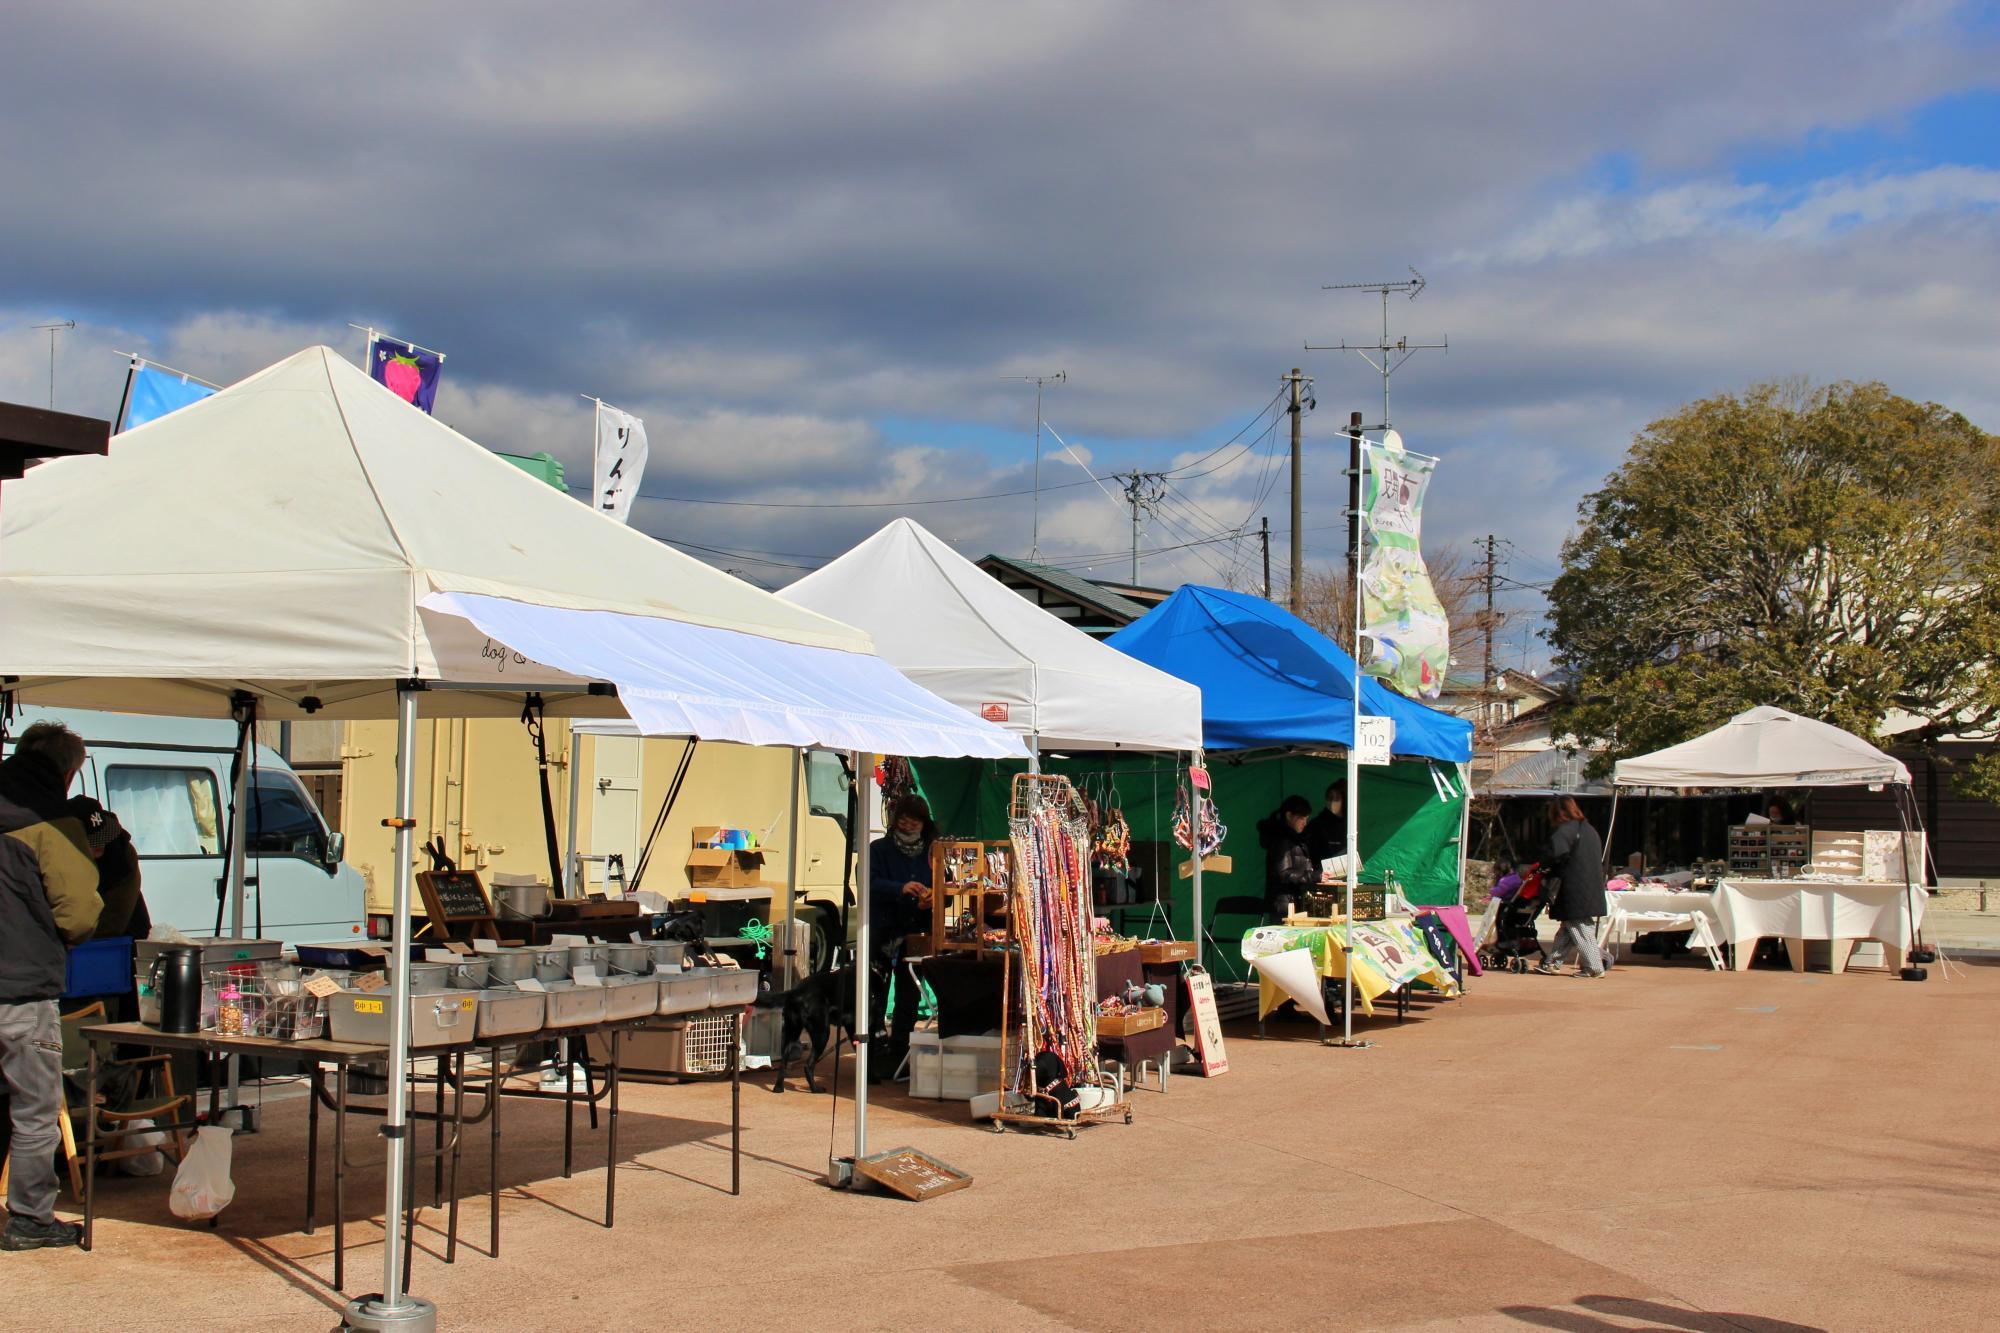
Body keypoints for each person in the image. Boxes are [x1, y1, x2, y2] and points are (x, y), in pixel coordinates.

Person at [0, 722, 103, 1251]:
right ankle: (30, 1219)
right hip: (21, 988)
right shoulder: (52, 822)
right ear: (68, 772)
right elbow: (80, 913)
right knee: (35, 1108)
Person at [867, 794, 935, 1080]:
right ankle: (873, 1053)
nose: (908, 824)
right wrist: (900, 888)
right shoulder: (878, 849)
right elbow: (868, 883)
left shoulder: (931, 853)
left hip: (916, 932)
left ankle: (901, 1052)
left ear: (923, 823)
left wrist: (932, 898)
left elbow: (944, 889)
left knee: (908, 994)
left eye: (914, 820)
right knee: (876, 993)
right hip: (883, 930)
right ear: (895, 820)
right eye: (904, 819)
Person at [1536, 796, 1608, 978]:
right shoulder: (1589, 829)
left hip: (1573, 888)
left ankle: (1594, 967)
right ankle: (1552, 962)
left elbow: (1553, 854)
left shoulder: (1565, 831)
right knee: (1569, 926)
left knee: (1579, 926)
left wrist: (1543, 866)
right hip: (1591, 885)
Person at [1257, 795, 1317, 921]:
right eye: (1302, 818)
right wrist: (1313, 876)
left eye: (1306, 819)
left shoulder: (1292, 838)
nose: (1305, 823)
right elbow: (1284, 874)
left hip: (1290, 904)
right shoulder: (1281, 840)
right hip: (1285, 906)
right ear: (1289, 816)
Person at [1304, 781, 1348, 873]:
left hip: (1345, 875)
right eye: (1329, 798)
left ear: (1344, 800)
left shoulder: (1350, 823)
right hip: (1321, 876)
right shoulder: (1316, 824)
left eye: (1336, 798)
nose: (1332, 802)